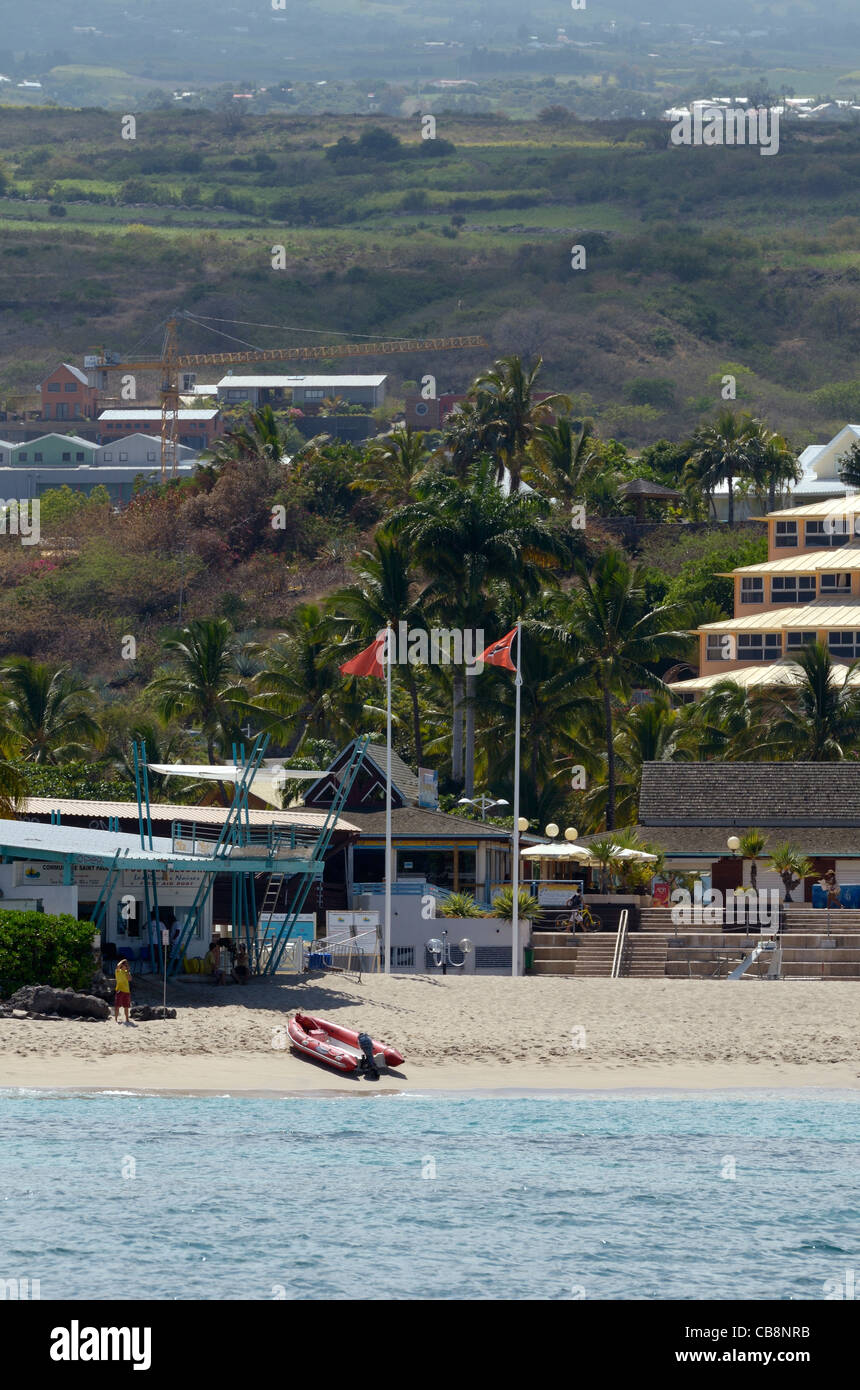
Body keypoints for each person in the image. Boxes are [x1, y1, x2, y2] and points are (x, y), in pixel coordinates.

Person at [114, 958, 132, 1024]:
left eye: (127, 965)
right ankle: (116, 1019)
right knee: (117, 1005)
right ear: (122, 965)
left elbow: (130, 979)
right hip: (120, 990)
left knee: (126, 1006)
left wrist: (127, 971)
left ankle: (127, 1019)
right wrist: (123, 961)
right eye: (125, 965)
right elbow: (117, 965)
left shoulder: (126, 972)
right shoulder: (118, 971)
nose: (127, 966)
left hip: (127, 991)